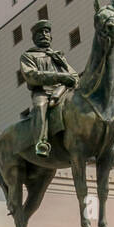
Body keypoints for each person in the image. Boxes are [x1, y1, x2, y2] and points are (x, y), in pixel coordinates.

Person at [19, 19, 79, 157]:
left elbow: (74, 75)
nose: (44, 34)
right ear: (34, 38)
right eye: (40, 32)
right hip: (43, 91)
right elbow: (31, 75)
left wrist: (69, 80)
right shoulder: (28, 56)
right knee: (40, 107)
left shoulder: (58, 56)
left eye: (47, 32)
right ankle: (41, 142)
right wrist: (60, 77)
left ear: (51, 37)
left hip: (64, 90)